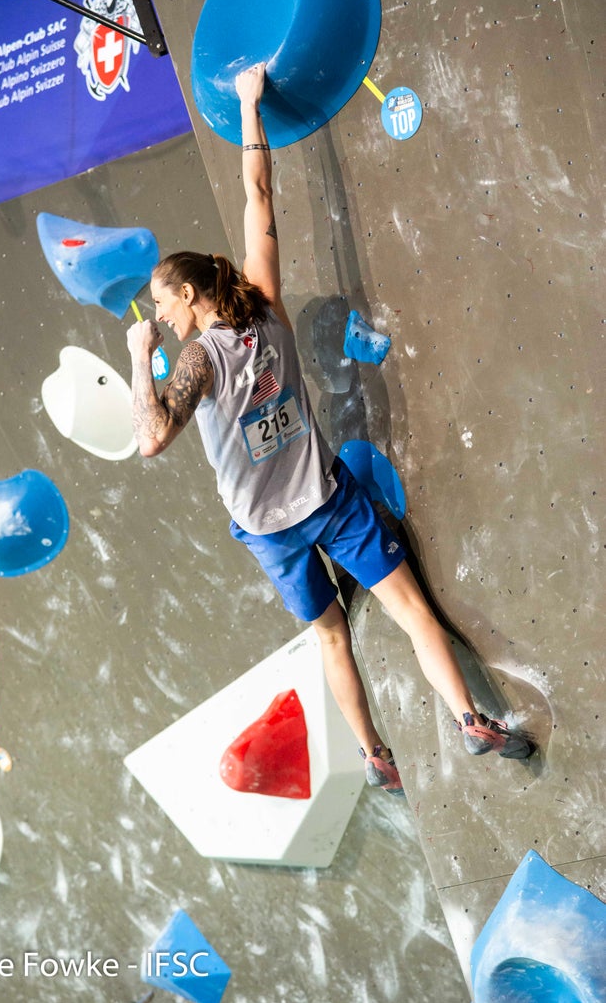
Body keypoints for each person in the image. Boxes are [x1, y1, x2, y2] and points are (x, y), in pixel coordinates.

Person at [127, 62, 531, 796]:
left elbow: (151, 437)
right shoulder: (266, 303)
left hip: (270, 532)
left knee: (332, 633)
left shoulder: (198, 361)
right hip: (328, 498)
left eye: (162, 305)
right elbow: (258, 195)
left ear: (186, 295)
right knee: (411, 610)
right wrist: (250, 104)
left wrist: (137, 356)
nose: (159, 317)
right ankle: (471, 718)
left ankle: (376, 756)